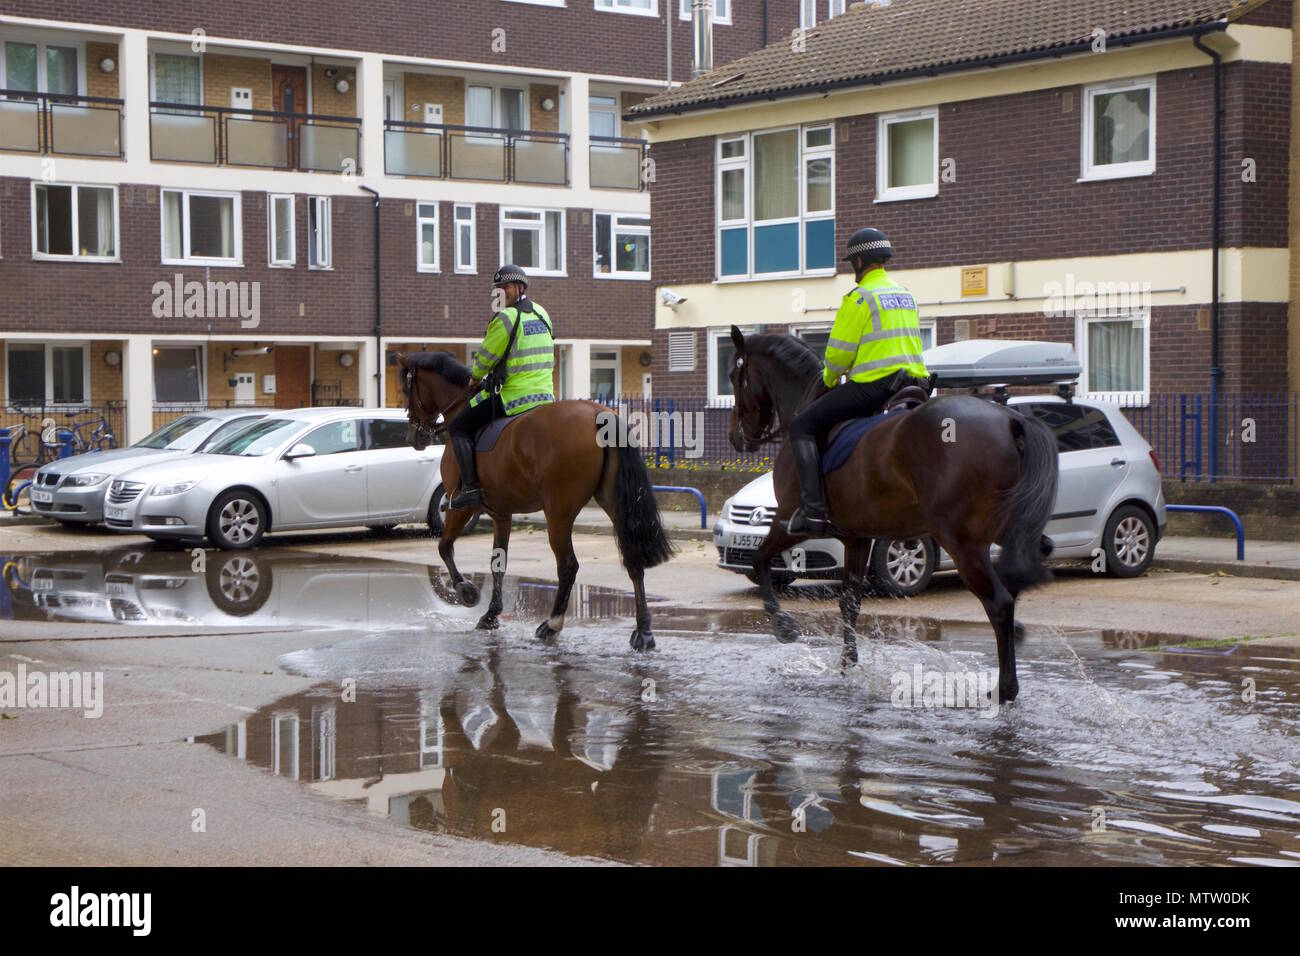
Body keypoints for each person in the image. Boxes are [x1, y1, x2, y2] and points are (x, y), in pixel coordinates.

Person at [785, 228, 930, 536]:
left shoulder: (860, 298)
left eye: (853, 263)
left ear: (860, 262)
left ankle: (813, 512)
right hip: (914, 386)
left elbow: (838, 357)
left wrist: (828, 378)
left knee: (801, 427)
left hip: (874, 389)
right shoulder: (906, 294)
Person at [446, 264, 555, 510]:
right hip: (546, 395)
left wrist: (474, 377)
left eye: (506, 287)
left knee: (458, 427)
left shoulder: (505, 318)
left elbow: (484, 358)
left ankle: (472, 488)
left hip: (514, 396)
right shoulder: (542, 314)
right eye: (499, 289)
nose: (502, 293)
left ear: (520, 287)